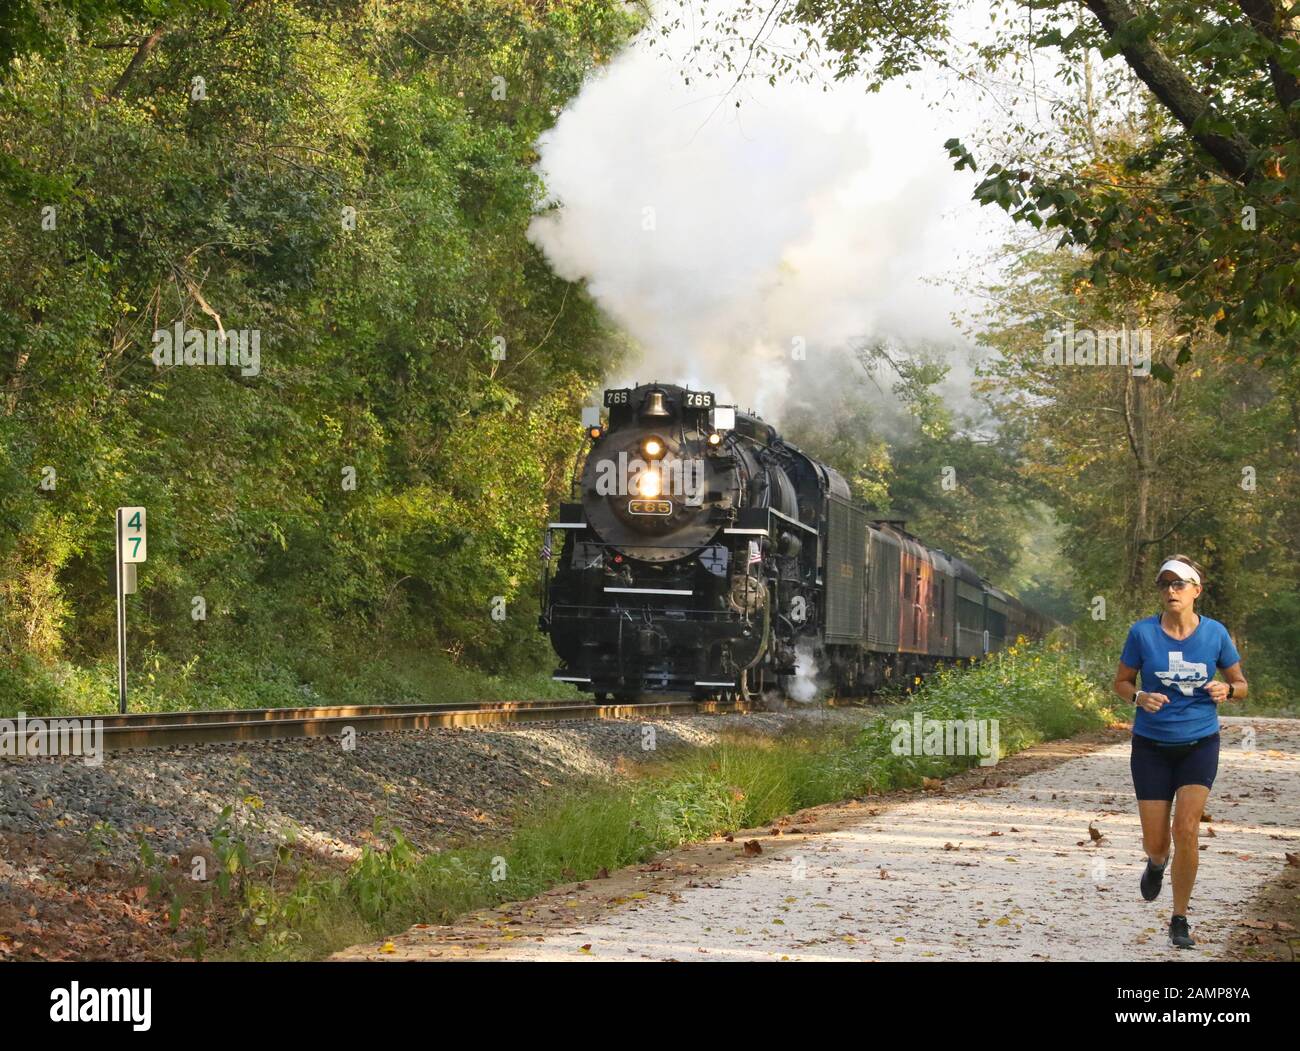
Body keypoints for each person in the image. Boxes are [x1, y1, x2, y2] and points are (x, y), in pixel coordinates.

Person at [1112, 554, 1247, 948]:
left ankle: (1179, 918)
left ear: (1196, 591)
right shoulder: (1142, 633)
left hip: (1199, 743)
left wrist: (1228, 690)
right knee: (1156, 843)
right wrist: (1139, 697)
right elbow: (1121, 682)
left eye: (1179, 584)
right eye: (1165, 584)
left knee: (1185, 828)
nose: (1171, 590)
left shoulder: (1215, 633)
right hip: (1151, 747)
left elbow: (1241, 684)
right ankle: (1157, 862)